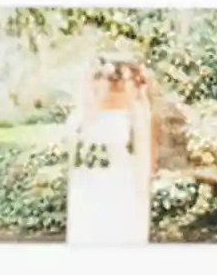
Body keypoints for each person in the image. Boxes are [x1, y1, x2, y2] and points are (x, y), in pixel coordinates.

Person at [65, 58, 156, 245]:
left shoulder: (135, 115)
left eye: (117, 79)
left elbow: (143, 155)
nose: (111, 85)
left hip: (122, 184)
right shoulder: (81, 116)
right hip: (89, 185)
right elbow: (76, 146)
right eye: (103, 78)